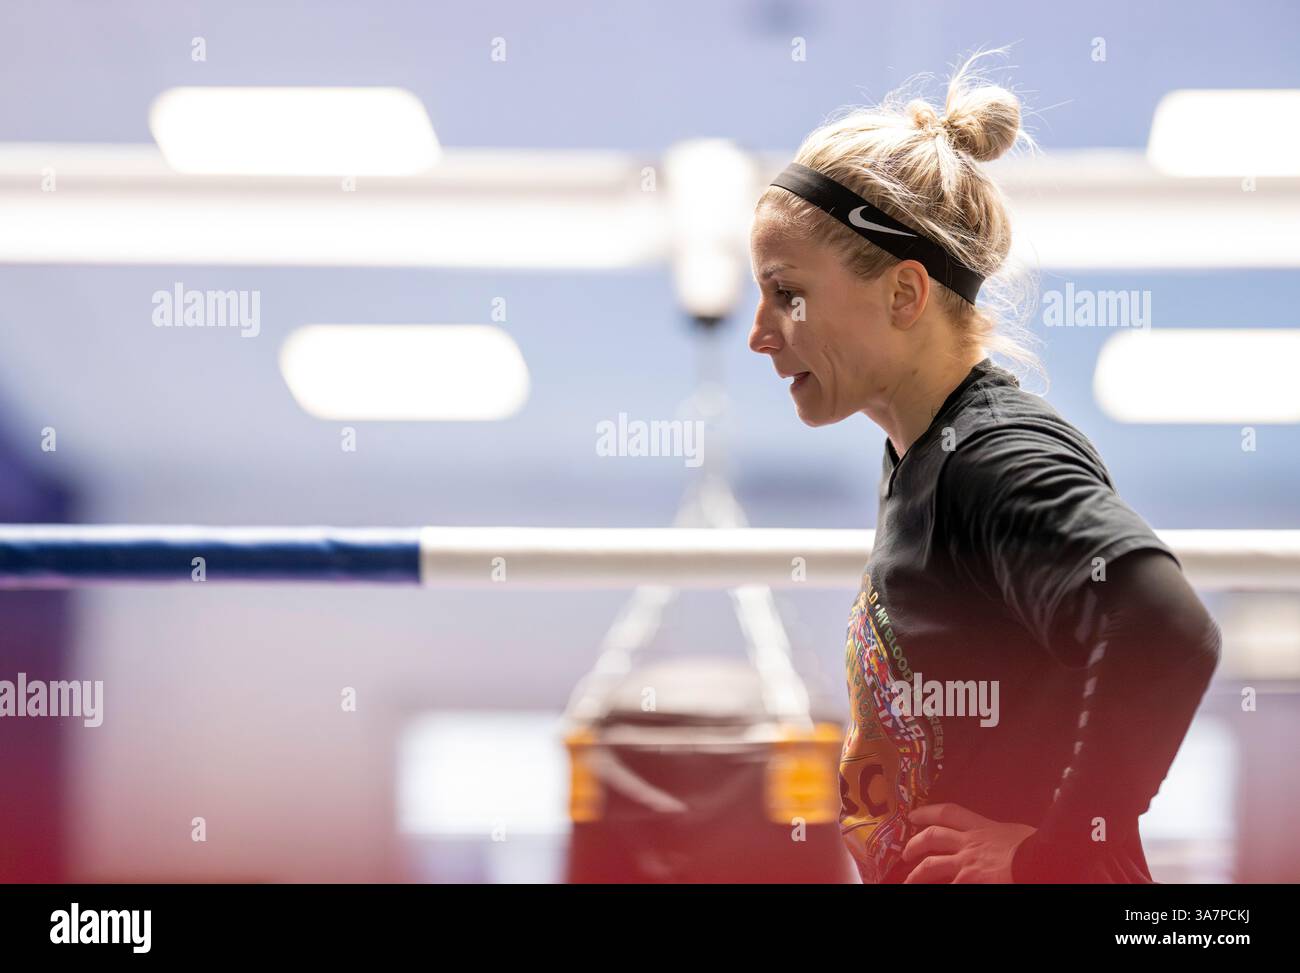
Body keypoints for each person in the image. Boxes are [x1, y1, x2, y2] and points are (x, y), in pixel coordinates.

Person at [746, 52, 1221, 883]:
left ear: (904, 295)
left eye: (787, 293)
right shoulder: (919, 455)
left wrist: (1060, 848)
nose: (760, 331)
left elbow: (1166, 626)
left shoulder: (994, 456)